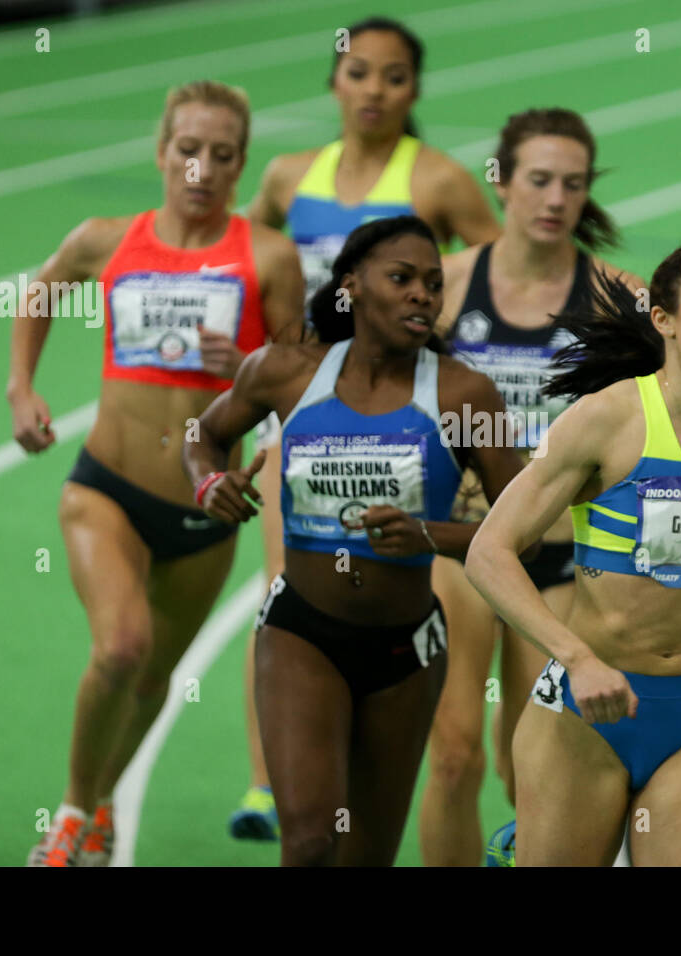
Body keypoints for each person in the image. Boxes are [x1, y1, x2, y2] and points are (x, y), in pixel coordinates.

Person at [11, 80, 305, 867]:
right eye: (187, 150)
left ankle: (102, 803)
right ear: (160, 151)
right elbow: (38, 293)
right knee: (121, 649)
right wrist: (21, 388)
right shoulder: (106, 238)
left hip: (206, 510)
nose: (201, 169)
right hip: (105, 487)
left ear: (242, 164)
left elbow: (302, 384)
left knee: (152, 681)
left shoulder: (266, 257)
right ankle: (72, 810)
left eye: (221, 154)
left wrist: (245, 369)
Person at [185, 216, 528, 865]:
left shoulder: (462, 393)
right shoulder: (284, 372)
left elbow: (523, 533)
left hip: (406, 649)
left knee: (363, 857)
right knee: (311, 844)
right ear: (352, 288)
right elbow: (200, 434)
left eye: (432, 283)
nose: (422, 295)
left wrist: (430, 533)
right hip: (301, 632)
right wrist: (209, 485)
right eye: (401, 279)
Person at [232, 16, 501, 839]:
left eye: (392, 77)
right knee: (288, 585)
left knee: (405, 588)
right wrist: (257, 355)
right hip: (316, 419)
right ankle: (272, 784)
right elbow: (247, 264)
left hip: (414, 431)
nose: (373, 90)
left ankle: (386, 767)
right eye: (358, 74)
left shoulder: (442, 182)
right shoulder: (286, 178)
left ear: (414, 90)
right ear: (334, 84)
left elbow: (494, 277)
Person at [465, 237, 681, 866]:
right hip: (585, 714)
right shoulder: (606, 420)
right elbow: (490, 551)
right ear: (665, 320)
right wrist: (576, 659)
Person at [418, 107, 642, 866]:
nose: (554, 199)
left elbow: (660, 427)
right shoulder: (443, 288)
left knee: (530, 771)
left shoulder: (620, 302)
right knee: (451, 755)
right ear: (501, 182)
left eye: (572, 185)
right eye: (539, 180)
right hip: (456, 550)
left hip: (560, 562)